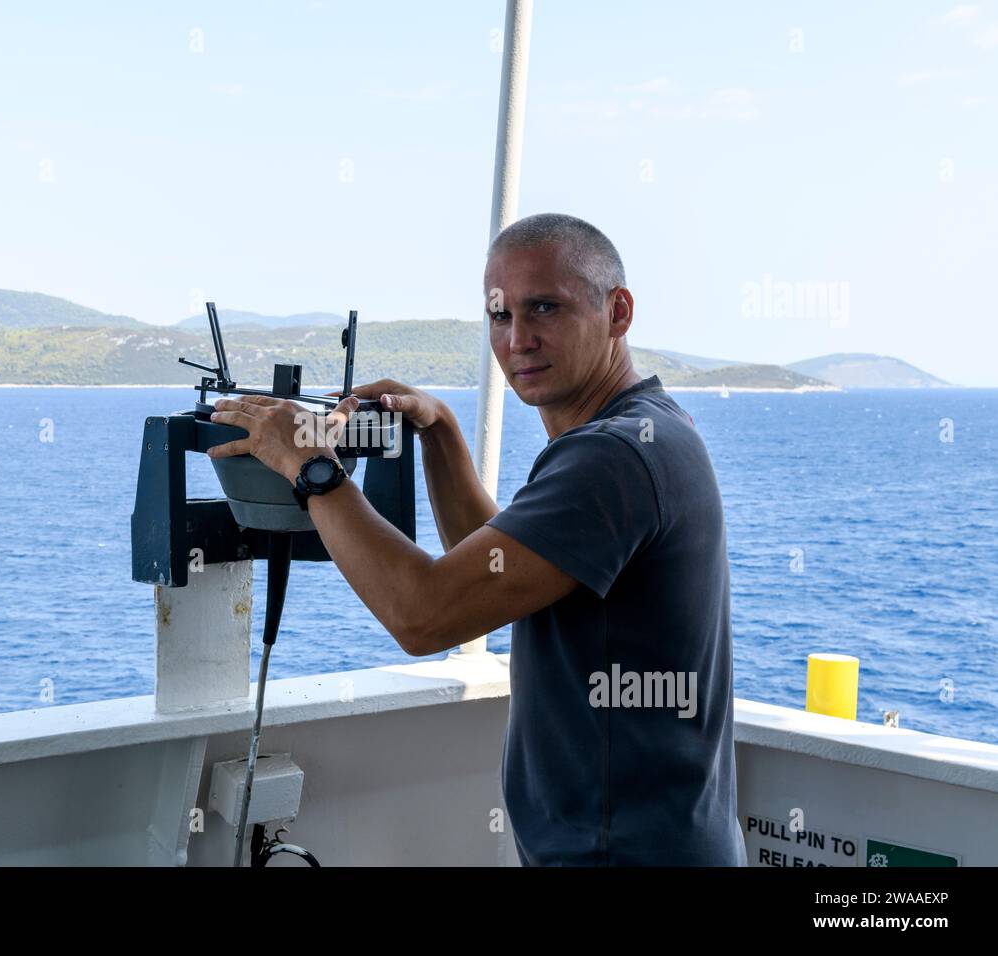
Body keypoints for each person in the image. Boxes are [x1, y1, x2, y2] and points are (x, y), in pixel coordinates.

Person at [207, 212, 748, 866]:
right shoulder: (644, 430)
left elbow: (425, 614)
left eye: (544, 308)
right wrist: (440, 433)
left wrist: (311, 469)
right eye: (499, 315)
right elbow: (503, 575)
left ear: (618, 311)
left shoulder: (613, 460)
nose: (518, 338)